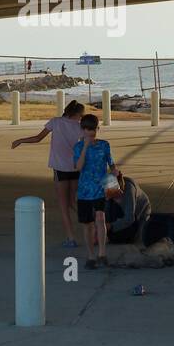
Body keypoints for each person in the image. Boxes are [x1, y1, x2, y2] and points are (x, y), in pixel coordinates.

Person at [11, 100, 85, 247]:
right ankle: (93, 226)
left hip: (60, 169)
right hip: (76, 168)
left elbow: (38, 138)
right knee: (74, 202)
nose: (81, 118)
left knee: (64, 205)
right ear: (76, 114)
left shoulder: (55, 122)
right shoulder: (80, 127)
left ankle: (71, 238)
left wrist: (20, 140)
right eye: (81, 115)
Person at [72, 113, 119, 269]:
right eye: (86, 129)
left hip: (101, 188)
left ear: (97, 129)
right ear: (82, 130)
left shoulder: (104, 145)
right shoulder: (78, 147)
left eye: (92, 129)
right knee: (87, 224)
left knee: (100, 218)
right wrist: (85, 146)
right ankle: (91, 255)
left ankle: (102, 253)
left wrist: (114, 173)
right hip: (84, 190)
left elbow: (111, 163)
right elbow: (78, 167)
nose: (89, 132)